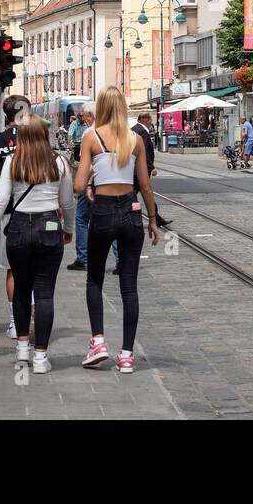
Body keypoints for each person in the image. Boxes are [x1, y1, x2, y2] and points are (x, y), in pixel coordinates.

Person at [74, 86, 159, 374]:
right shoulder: (135, 139)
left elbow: (77, 185)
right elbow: (145, 185)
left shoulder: (91, 137)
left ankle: (98, 342)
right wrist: (154, 220)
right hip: (131, 213)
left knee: (94, 279)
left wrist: (89, 179)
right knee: (129, 286)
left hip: (102, 211)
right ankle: (126, 355)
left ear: (100, 108)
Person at [0, 117, 74, 373]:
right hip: (49, 226)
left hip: (19, 227)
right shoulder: (59, 162)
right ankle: (41, 358)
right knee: (44, 294)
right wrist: (68, 229)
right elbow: (67, 203)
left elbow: (0, 202)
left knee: (21, 288)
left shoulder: (13, 161)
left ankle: (22, 349)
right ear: (45, 136)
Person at [0, 95, 33, 337]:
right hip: (37, 210)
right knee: (36, 269)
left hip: (9, 213)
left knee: (13, 268)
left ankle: (15, 322)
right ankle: (30, 320)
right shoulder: (36, 139)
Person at [65, 103, 95, 271]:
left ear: (91, 115)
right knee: (109, 220)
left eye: (84, 115)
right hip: (108, 184)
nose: (82, 118)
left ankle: (82, 258)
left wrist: (80, 185)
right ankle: (120, 260)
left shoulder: (89, 133)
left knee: (81, 218)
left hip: (91, 182)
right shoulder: (114, 131)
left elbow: (86, 164)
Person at [133, 112, 172, 230]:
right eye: (150, 121)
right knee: (141, 192)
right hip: (139, 170)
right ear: (146, 120)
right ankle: (140, 218)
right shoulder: (142, 132)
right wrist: (151, 167)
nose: (151, 124)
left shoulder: (134, 129)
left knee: (138, 193)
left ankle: (156, 217)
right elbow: (143, 152)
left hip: (134, 169)